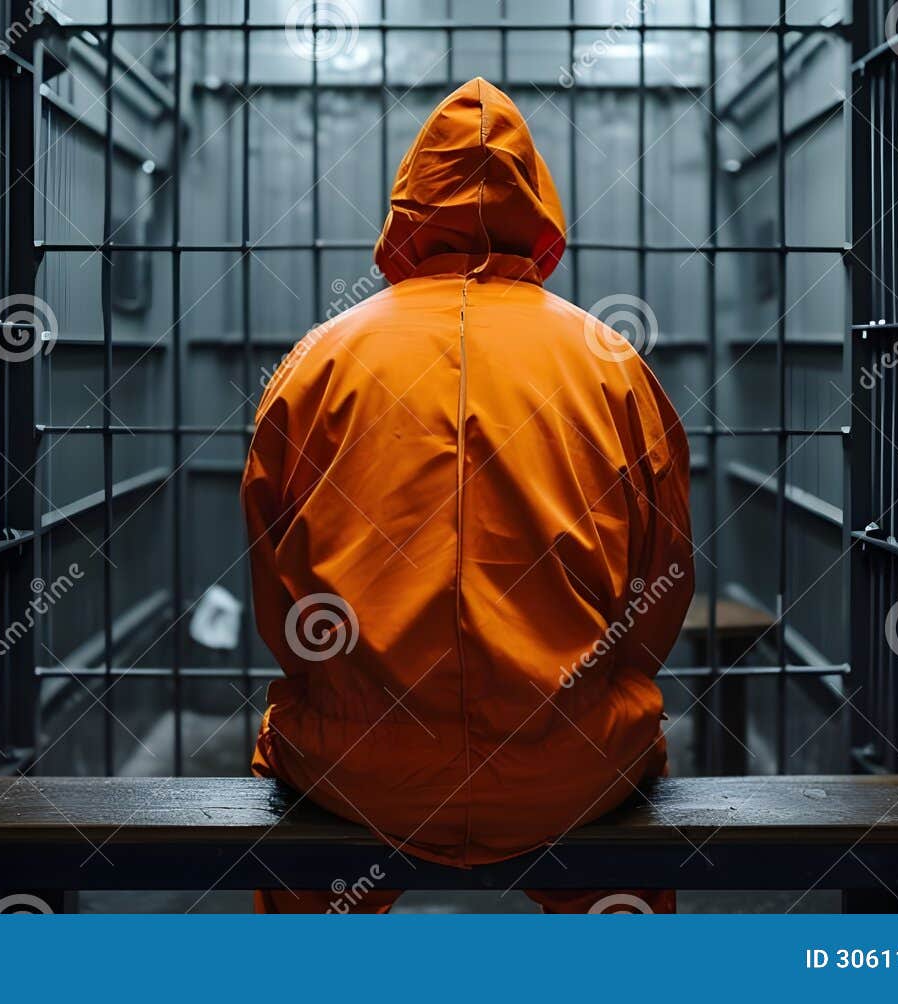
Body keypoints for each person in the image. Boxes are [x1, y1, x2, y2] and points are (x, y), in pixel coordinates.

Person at [241, 77, 693, 914]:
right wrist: (596, 694)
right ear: (537, 207)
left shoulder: (319, 361)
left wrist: (337, 696)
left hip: (358, 766)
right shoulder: (609, 363)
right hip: (572, 764)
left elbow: (277, 586)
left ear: (409, 206)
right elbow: (661, 584)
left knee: (304, 879)